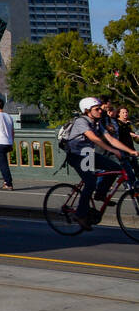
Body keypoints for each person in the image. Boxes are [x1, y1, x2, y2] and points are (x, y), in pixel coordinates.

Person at [63, 97, 137, 228]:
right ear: (87, 110)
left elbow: (111, 139)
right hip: (77, 156)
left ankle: (100, 194)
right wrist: (113, 151)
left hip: (88, 154)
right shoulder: (81, 121)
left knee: (115, 167)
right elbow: (94, 138)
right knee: (90, 182)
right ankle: (79, 214)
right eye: (96, 109)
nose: (100, 111)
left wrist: (130, 151)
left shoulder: (97, 123)